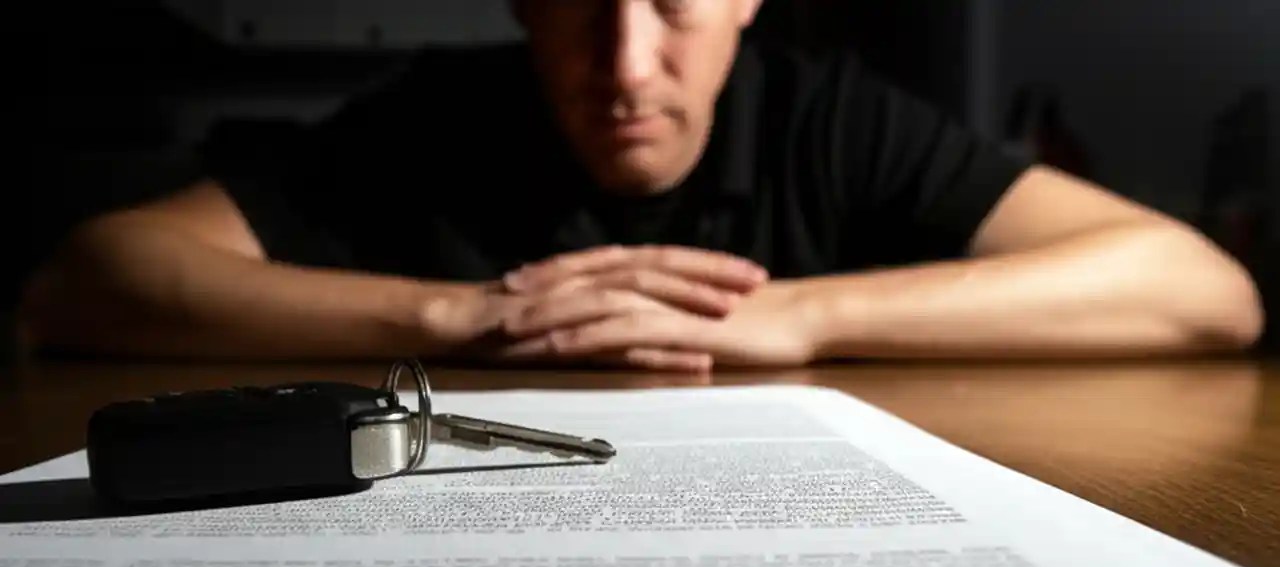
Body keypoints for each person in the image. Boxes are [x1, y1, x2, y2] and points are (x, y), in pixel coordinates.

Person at [19, 0, 1264, 372]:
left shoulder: (821, 116)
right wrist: (463, 316)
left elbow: (1201, 289)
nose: (624, 68)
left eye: (671, 5)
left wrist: (802, 314)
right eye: (575, 11)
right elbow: (92, 275)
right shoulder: (432, 118)